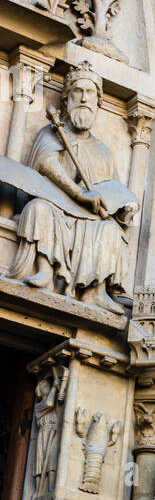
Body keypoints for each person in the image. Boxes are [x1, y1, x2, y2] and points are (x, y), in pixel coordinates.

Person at [8, 61, 137, 313]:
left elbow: (113, 189)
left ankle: (94, 291)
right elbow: (46, 164)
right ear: (66, 100)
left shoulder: (102, 150)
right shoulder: (51, 132)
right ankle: (44, 270)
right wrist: (79, 193)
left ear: (98, 105)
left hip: (86, 222)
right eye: (78, 91)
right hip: (56, 209)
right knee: (38, 209)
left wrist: (124, 207)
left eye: (90, 94)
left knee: (110, 230)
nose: (84, 98)